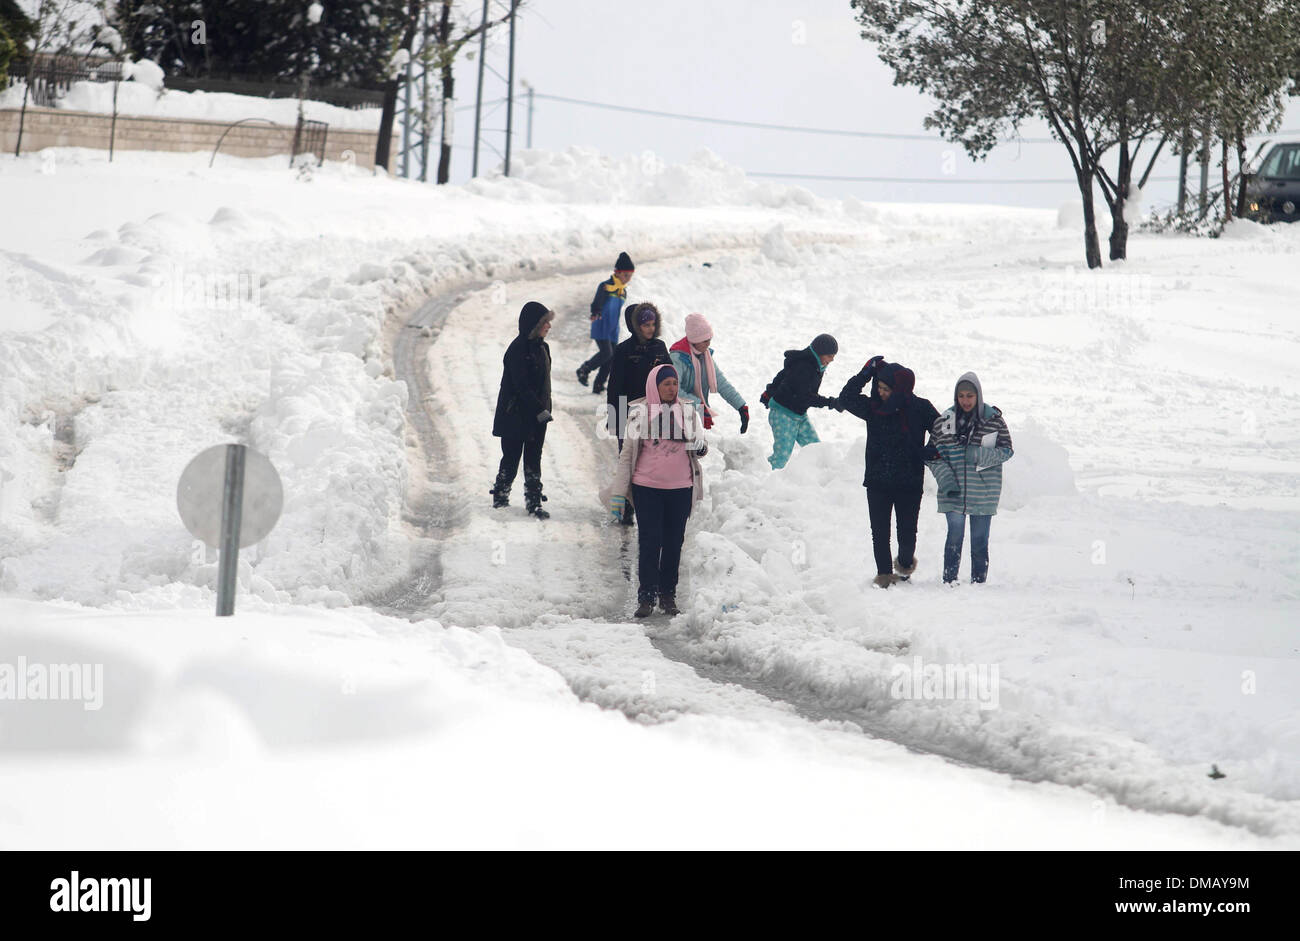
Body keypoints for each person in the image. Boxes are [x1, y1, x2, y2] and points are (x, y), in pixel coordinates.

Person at [604, 364, 707, 618]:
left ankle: (667, 595)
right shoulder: (639, 413)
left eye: (674, 383)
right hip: (647, 488)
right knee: (650, 542)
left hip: (680, 488)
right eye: (666, 384)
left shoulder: (687, 411)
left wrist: (700, 446)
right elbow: (627, 455)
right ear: (654, 386)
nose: (672, 389)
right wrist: (619, 493)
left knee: (674, 543)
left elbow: (701, 444)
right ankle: (646, 597)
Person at [838, 356, 940, 589]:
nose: (881, 393)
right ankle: (884, 575)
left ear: (899, 389)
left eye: (886, 389)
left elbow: (943, 427)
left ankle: (904, 568)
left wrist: (930, 449)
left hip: (909, 482)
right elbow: (846, 398)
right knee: (879, 533)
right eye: (879, 388)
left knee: (906, 533)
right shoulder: (874, 408)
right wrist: (865, 374)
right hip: (877, 480)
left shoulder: (919, 407)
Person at [925, 372, 1014, 585]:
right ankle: (949, 580)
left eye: (970, 396)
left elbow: (1007, 450)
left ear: (978, 396)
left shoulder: (993, 421)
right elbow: (932, 455)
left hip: (984, 492)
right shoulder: (946, 421)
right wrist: (945, 479)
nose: (965, 401)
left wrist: (977, 454)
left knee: (979, 540)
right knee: (954, 536)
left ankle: (979, 582)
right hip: (953, 491)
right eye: (961, 396)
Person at [606, 302, 671, 526]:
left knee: (651, 460)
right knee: (629, 461)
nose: (650, 329)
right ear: (635, 326)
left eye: (653, 324)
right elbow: (614, 386)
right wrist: (614, 418)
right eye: (645, 325)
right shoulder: (624, 350)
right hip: (629, 413)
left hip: (655, 413)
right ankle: (626, 507)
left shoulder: (660, 348)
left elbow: (670, 377)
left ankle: (646, 506)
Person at [491, 301, 555, 519]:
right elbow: (521, 386)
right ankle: (500, 495)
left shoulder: (543, 347)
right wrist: (539, 409)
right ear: (535, 325)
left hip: (538, 416)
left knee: (534, 458)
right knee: (511, 457)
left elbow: (544, 384)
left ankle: (534, 502)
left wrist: (545, 408)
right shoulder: (517, 349)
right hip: (515, 415)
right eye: (545, 322)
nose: (549, 326)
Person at [759, 334, 841, 469]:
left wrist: (769, 391)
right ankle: (765, 477)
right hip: (783, 414)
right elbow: (806, 396)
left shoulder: (815, 364)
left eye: (833, 356)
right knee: (782, 456)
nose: (832, 359)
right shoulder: (804, 367)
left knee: (816, 449)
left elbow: (784, 374)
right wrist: (830, 403)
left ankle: (821, 479)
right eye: (829, 355)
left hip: (799, 414)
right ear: (819, 352)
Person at [668, 312, 748, 435]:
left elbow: (721, 383)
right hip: (674, 416)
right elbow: (673, 391)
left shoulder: (705, 357)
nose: (708, 344)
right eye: (705, 341)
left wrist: (741, 406)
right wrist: (698, 404)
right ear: (695, 340)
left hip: (695, 414)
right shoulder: (678, 359)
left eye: (709, 340)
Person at [577, 252, 634, 395]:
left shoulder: (622, 291)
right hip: (601, 324)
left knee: (612, 357)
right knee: (606, 352)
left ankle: (599, 385)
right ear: (617, 272)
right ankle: (584, 369)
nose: (628, 279)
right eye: (626, 275)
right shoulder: (605, 286)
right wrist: (596, 311)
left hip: (612, 328)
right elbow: (597, 302)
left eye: (630, 276)